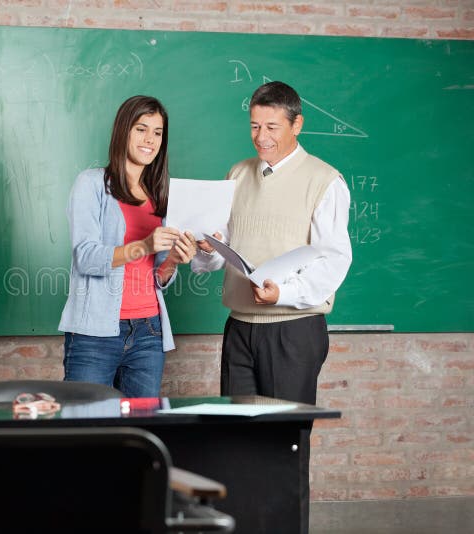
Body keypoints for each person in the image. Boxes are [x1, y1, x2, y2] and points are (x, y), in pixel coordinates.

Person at [191, 81, 352, 533]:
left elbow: (333, 259)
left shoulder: (325, 180)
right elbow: (209, 259)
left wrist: (283, 292)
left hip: (293, 329)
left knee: (285, 443)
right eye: (254, 126)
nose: (262, 136)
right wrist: (206, 247)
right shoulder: (237, 174)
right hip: (239, 326)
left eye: (273, 127)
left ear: (297, 124)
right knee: (236, 438)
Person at [58, 95, 196, 398]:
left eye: (157, 133)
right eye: (141, 129)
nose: (150, 140)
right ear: (124, 131)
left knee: (140, 432)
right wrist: (143, 245)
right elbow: (86, 257)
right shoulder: (91, 184)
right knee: (86, 429)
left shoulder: (160, 195)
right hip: (95, 333)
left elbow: (157, 276)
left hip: (149, 331)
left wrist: (173, 260)